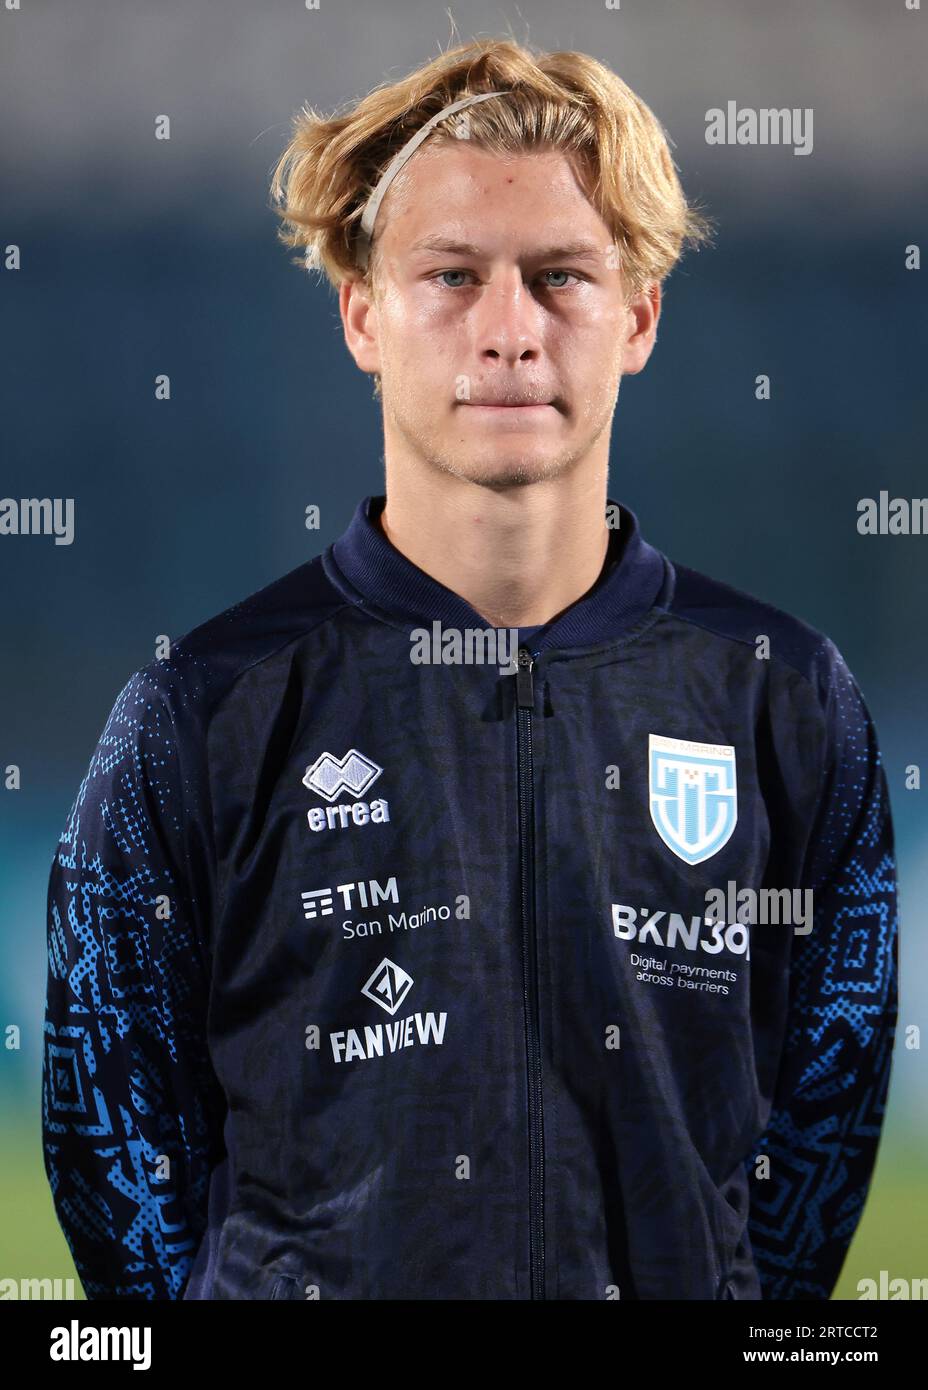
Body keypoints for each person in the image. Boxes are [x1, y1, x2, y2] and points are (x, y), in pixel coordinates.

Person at [42, 37, 898, 1301]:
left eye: (561, 277)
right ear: (361, 315)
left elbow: (811, 1167)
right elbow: (117, 1178)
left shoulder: (785, 700)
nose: (509, 331)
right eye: (450, 276)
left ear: (641, 315)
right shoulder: (199, 713)